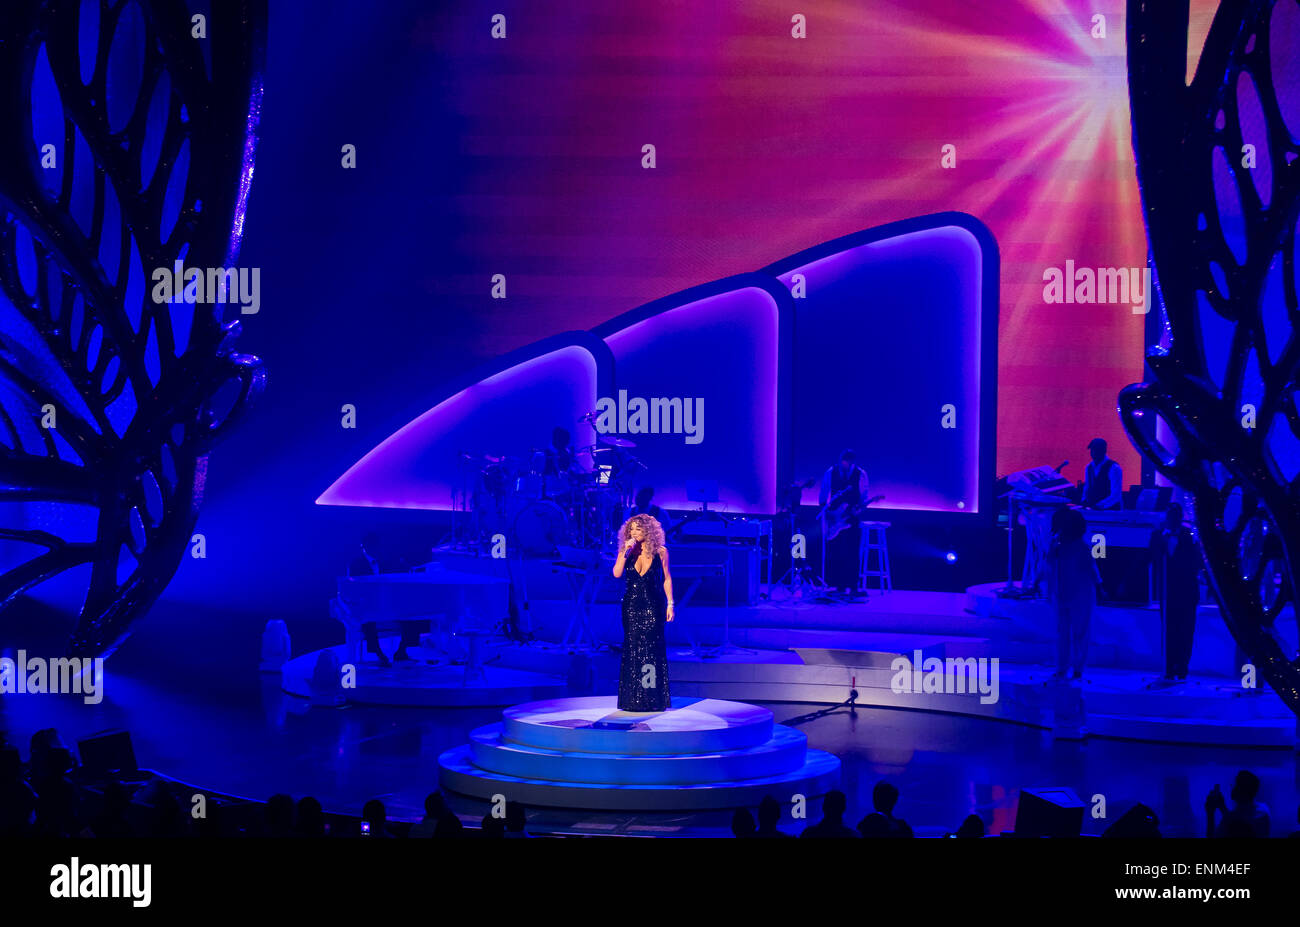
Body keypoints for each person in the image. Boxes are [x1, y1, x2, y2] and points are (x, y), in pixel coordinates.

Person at [611, 513, 675, 712]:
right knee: (633, 649)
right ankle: (633, 698)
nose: (634, 532)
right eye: (631, 529)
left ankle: (650, 697)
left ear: (648, 530)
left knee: (651, 651)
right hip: (631, 606)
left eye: (638, 529)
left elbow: (667, 579)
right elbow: (617, 573)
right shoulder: (627, 551)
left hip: (653, 605)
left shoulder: (661, 552)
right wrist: (625, 552)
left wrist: (670, 604)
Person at [347, 532, 424, 667]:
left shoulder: (385, 561)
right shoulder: (356, 563)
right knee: (368, 620)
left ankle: (402, 650)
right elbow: (354, 587)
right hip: (366, 603)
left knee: (412, 615)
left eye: (379, 546)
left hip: (385, 602)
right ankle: (377, 652)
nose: (378, 549)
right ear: (366, 547)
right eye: (374, 546)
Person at [1041, 507, 1100, 680]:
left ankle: (1078, 668)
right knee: (1062, 632)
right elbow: (1048, 563)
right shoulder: (1056, 543)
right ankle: (1061, 667)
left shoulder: (1081, 546)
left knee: (1079, 632)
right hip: (1061, 593)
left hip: (1081, 594)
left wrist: (1100, 586)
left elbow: (1091, 568)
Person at [1149, 503, 1201, 681]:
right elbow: (1151, 559)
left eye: (1175, 516)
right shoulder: (1157, 536)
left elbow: (1196, 562)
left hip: (1187, 592)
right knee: (1168, 630)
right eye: (1169, 516)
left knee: (1186, 631)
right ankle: (1169, 668)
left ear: (1180, 518)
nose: (1172, 520)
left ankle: (1182, 668)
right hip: (1167, 592)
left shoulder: (1190, 537)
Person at [819, 449, 870, 596]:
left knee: (853, 551)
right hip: (834, 518)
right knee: (835, 551)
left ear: (852, 463)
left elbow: (864, 498)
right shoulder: (831, 471)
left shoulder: (861, 474)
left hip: (851, 517)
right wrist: (827, 513)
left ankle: (853, 585)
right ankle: (837, 585)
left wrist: (858, 510)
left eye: (847, 464)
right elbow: (823, 493)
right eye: (842, 463)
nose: (844, 466)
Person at [1205, 771, 1269, 838]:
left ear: (1242, 790)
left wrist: (1210, 813)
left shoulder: (1238, 818)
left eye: (1237, 784)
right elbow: (1237, 821)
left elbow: (1236, 824)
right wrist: (1222, 807)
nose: (1233, 788)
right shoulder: (1263, 810)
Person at [1080, 438, 1123, 510]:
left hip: (1111, 511)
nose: (1093, 453)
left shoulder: (1114, 467)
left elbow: (1116, 495)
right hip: (1094, 509)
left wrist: (1100, 505)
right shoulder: (1089, 467)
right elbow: (1087, 487)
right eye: (1092, 450)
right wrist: (1084, 500)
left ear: (1104, 451)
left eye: (1096, 450)